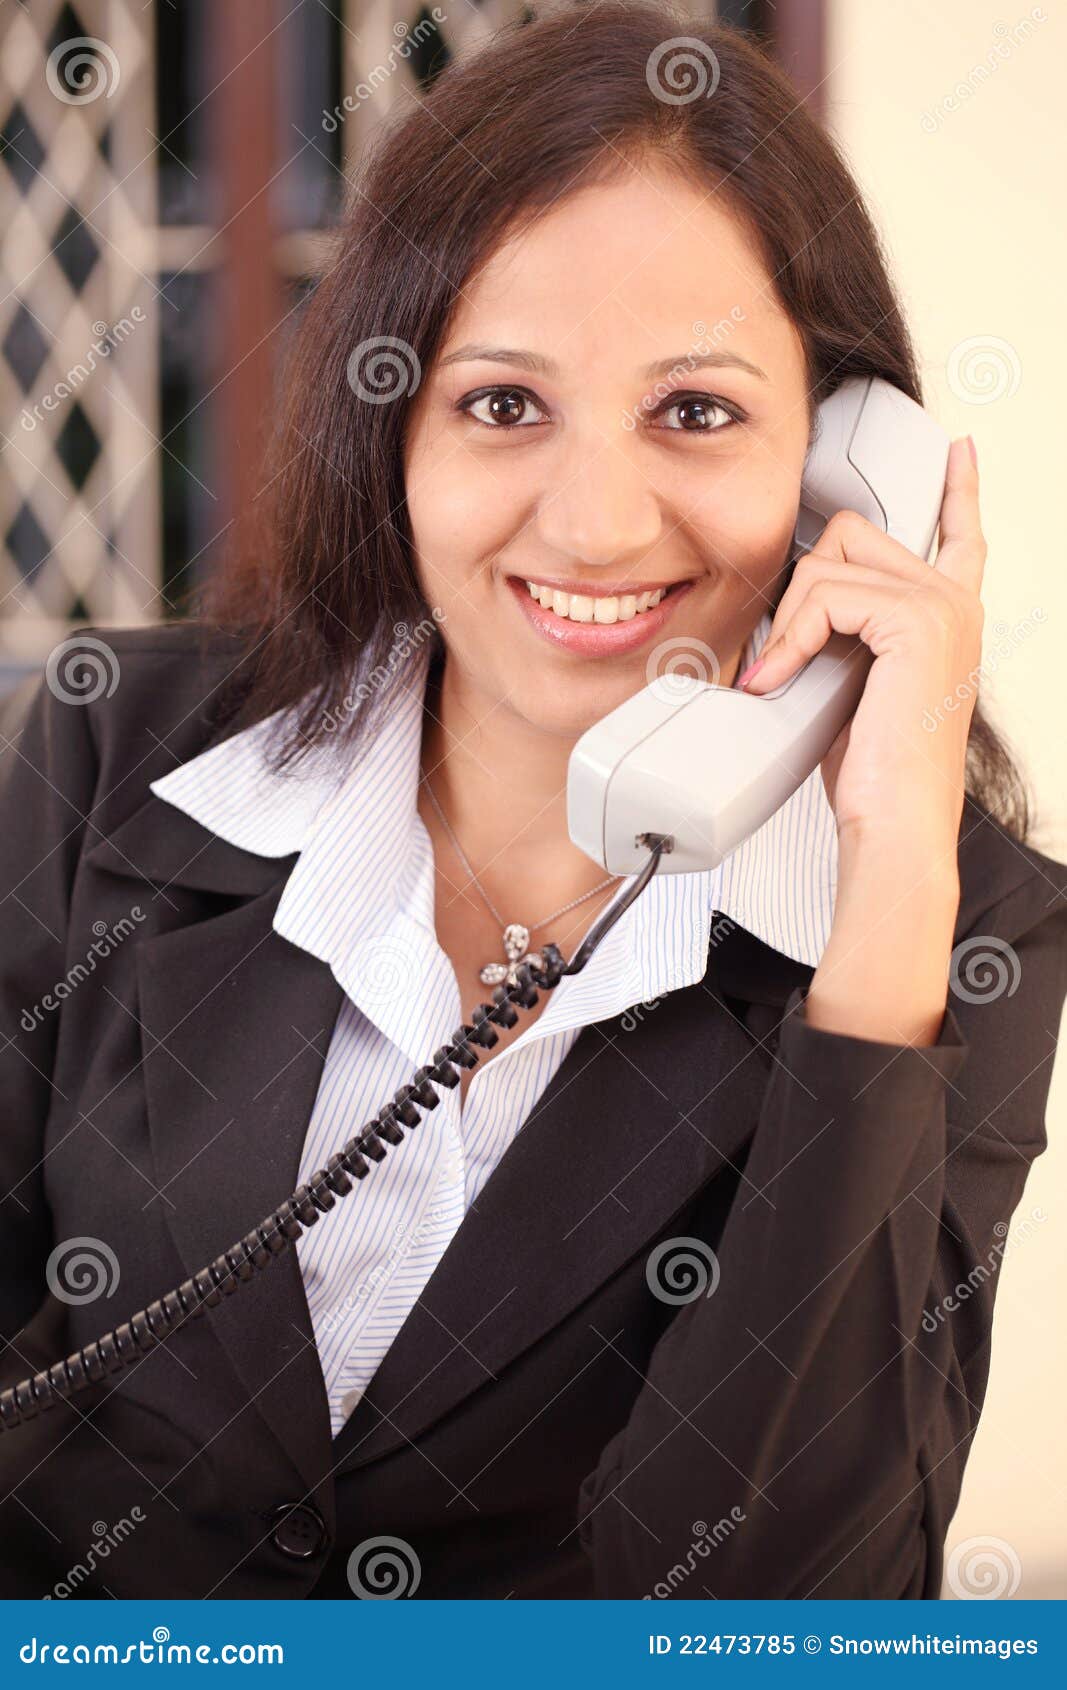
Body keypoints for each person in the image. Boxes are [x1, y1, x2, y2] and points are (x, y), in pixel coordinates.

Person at [1, 1, 1064, 1601]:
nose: (593, 523)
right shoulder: (114, 756)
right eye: (504, 403)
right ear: (394, 426)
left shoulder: (953, 926)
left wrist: (887, 894)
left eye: (695, 411)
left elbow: (786, 1612)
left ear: (844, 470)